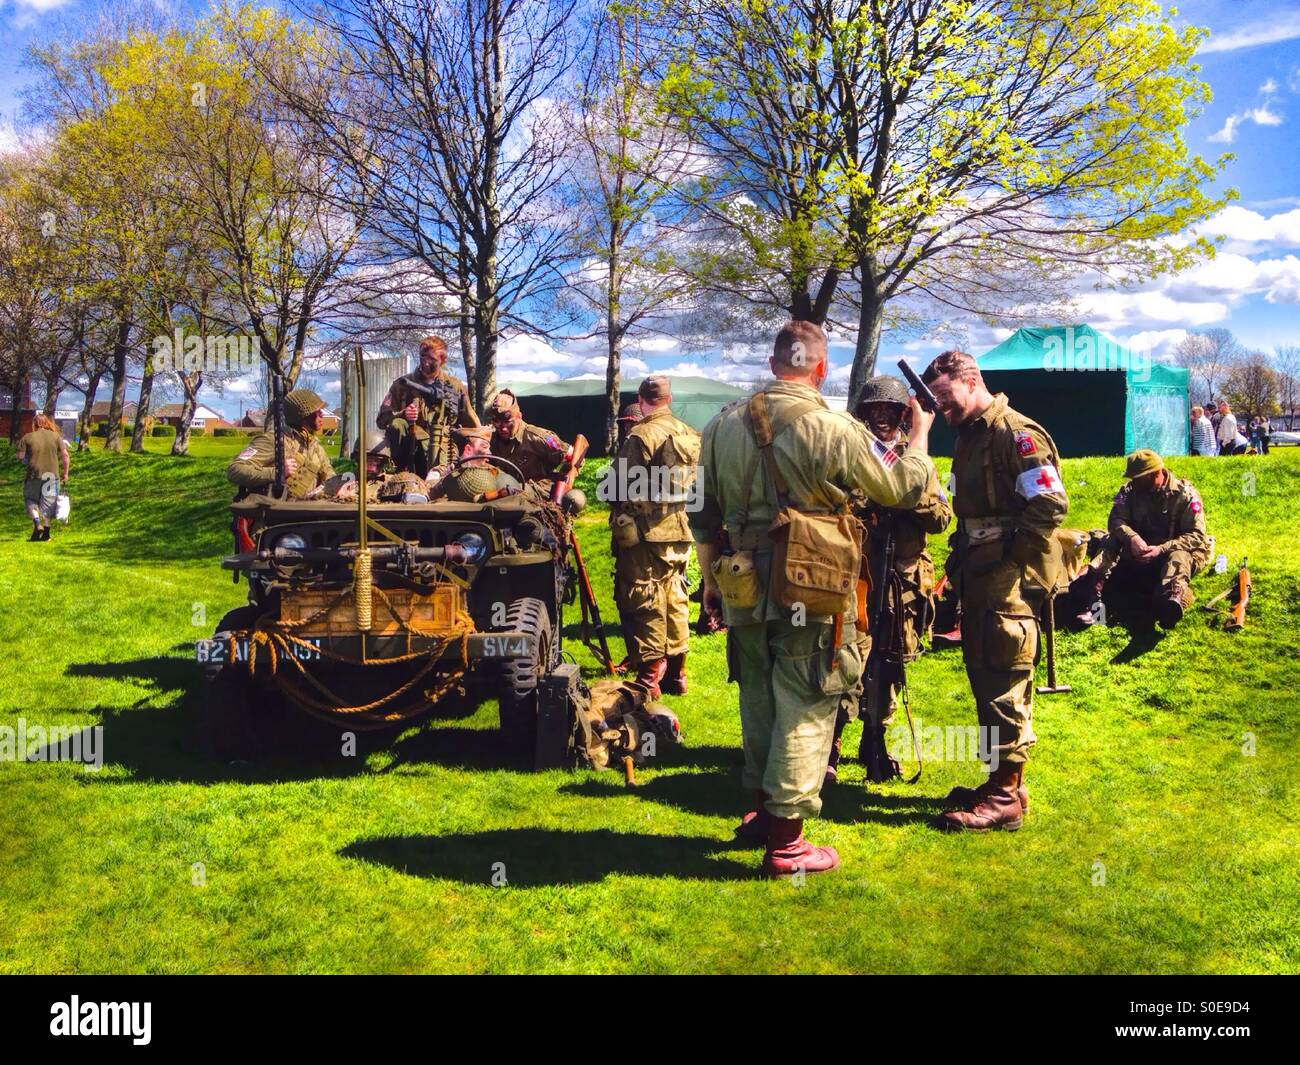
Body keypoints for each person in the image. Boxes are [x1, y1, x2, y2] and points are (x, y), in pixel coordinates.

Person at [691, 321, 936, 878]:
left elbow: (701, 516)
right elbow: (897, 487)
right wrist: (918, 439)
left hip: (740, 581)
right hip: (812, 579)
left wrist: (710, 582)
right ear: (820, 367)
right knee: (807, 695)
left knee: (757, 694)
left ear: (776, 362)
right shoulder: (835, 426)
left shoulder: (721, 424)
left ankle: (760, 810)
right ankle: (787, 842)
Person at [921, 350, 1068, 833]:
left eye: (944, 396)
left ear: (971, 380)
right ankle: (1002, 780)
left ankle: (1004, 796)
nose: (939, 408)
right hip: (977, 573)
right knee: (985, 675)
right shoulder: (969, 436)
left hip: (1006, 579)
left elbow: (1049, 503)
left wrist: (1010, 561)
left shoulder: (1015, 434)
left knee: (1004, 676)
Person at [825, 376, 953, 786]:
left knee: (891, 664)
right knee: (847, 660)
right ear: (862, 414)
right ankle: (832, 744)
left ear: (903, 416)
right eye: (873, 411)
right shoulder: (848, 456)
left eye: (890, 412)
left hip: (902, 584)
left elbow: (940, 520)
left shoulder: (916, 459)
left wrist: (908, 494)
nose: (881, 419)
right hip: (856, 579)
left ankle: (875, 738)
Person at [608, 375, 701, 698]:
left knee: (644, 600)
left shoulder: (640, 435)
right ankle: (678, 674)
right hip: (680, 531)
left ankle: (649, 681)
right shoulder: (688, 432)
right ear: (669, 399)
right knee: (676, 598)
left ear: (641, 398)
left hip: (645, 534)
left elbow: (620, 485)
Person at [1069, 449, 1208, 628]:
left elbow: (1196, 535)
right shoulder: (1128, 492)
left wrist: (1160, 549)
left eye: (1137, 479)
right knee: (1111, 540)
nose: (1132, 483)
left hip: (1168, 554)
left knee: (1180, 556)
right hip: (1136, 553)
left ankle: (1169, 603)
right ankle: (1095, 602)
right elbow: (1115, 520)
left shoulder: (1185, 495)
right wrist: (1132, 538)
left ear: (1155, 475)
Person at [376, 335, 479, 478]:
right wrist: (403, 414)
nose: (425, 363)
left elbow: (470, 421)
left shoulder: (455, 387)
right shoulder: (402, 385)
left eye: (432, 360)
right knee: (397, 424)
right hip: (411, 450)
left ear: (443, 361)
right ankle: (400, 475)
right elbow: (382, 420)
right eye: (422, 357)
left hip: (445, 450)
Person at [227, 388, 335, 499]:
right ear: (303, 415)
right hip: (278, 512)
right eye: (317, 411)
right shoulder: (274, 440)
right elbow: (234, 470)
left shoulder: (314, 446)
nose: (322, 414)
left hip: (310, 510)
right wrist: (278, 473)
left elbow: (329, 474)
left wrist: (339, 486)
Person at [487, 388, 575, 489]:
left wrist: (566, 478)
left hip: (540, 492)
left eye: (508, 422)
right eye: (497, 422)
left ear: (519, 416)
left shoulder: (539, 438)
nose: (503, 428)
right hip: (507, 491)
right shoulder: (491, 441)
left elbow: (572, 456)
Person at [16, 412, 70, 541]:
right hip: (51, 475)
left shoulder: (27, 437)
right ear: (47, 423)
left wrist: (22, 457)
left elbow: (20, 457)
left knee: (30, 499)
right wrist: (65, 473)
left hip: (34, 474)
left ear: (34, 424)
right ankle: (46, 535)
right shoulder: (56, 437)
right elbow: (65, 456)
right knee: (48, 504)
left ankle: (36, 523)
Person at [436, 425, 524, 503]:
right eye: (485, 447)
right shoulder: (443, 473)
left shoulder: (493, 471)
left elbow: (517, 491)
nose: (489, 453)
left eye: (489, 448)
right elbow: (429, 492)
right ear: (468, 449)